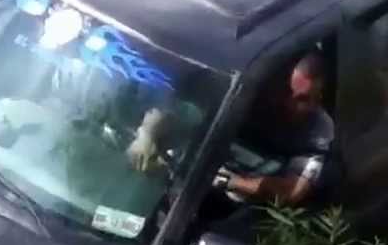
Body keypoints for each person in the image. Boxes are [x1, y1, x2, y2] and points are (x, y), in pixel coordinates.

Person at [128, 51, 335, 208]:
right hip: (183, 190)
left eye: (303, 99)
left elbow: (293, 190)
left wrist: (226, 181)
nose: (290, 104)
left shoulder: (318, 130)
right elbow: (175, 103)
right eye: (287, 92)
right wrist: (146, 134)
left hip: (239, 211)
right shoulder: (244, 93)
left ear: (319, 98)